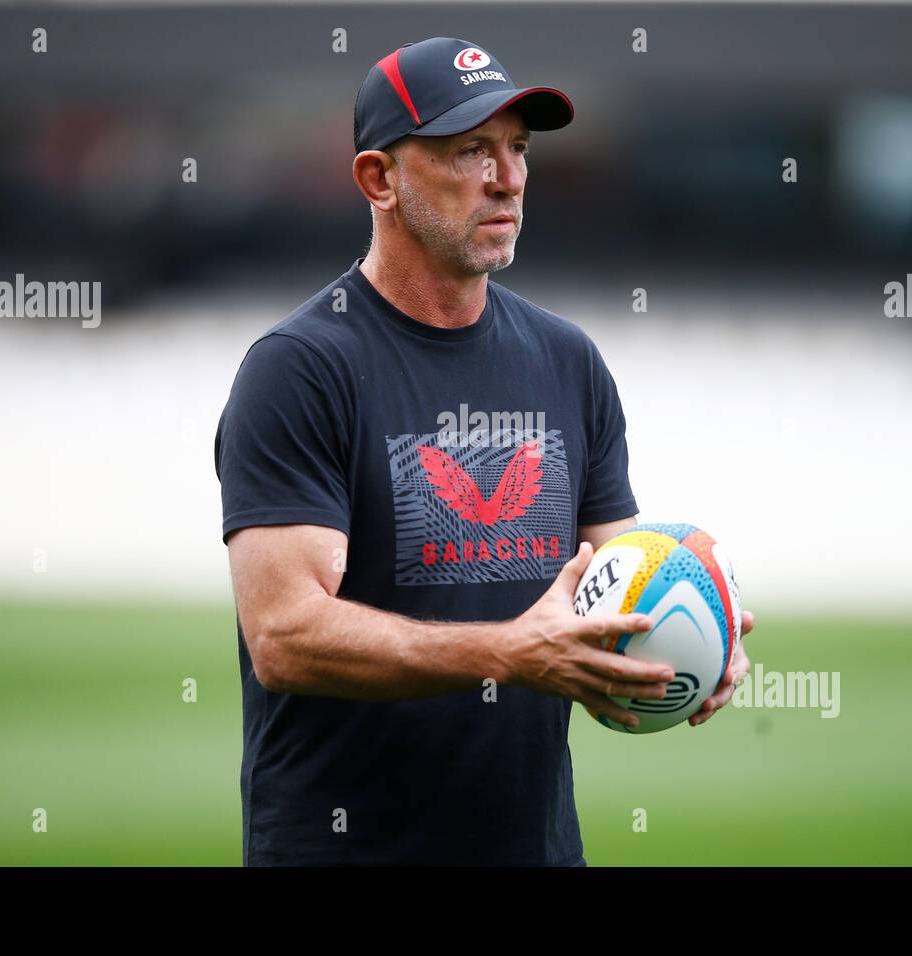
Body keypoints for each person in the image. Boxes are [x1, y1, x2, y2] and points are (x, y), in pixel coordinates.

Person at [214, 36, 753, 866]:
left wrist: (698, 634)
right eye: (471, 150)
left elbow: (621, 581)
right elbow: (285, 637)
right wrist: (508, 653)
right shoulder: (300, 369)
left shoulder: (566, 359)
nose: (508, 178)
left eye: (518, 148)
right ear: (378, 179)